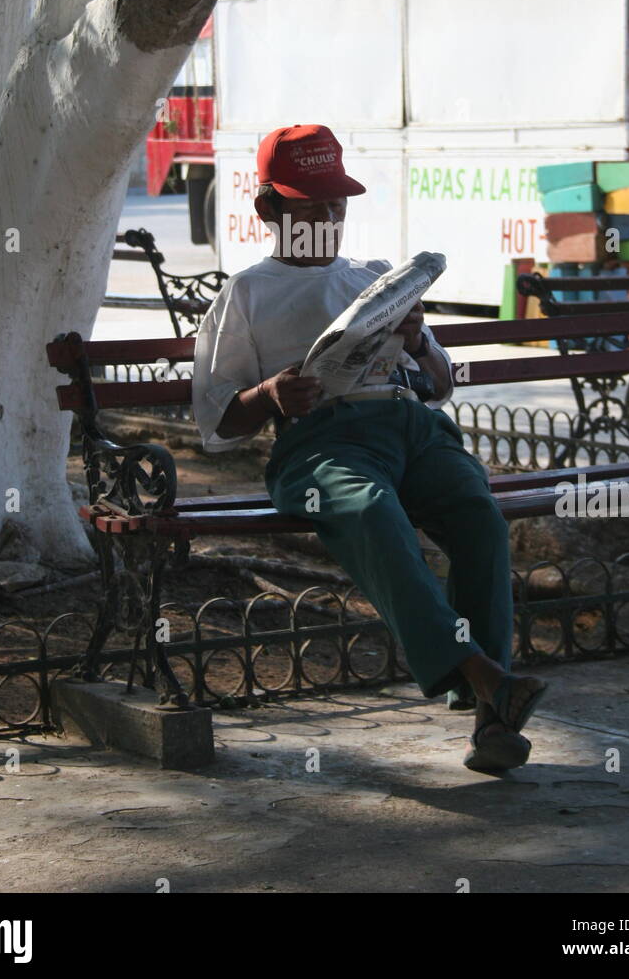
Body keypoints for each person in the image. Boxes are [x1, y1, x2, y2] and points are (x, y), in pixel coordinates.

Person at [193, 123, 547, 773]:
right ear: (269, 208)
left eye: (336, 204)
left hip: (412, 428)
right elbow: (214, 423)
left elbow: (440, 386)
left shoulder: (376, 275)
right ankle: (485, 679)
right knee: (375, 518)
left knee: (479, 518)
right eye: (309, 206)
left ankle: (488, 711)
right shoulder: (247, 293)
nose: (327, 218)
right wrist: (271, 394)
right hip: (324, 445)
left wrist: (416, 342)